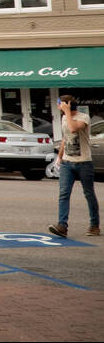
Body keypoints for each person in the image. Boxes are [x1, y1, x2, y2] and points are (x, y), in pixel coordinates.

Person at [49, 94, 99, 238]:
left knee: (89, 194)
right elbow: (66, 137)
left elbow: (73, 129)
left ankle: (94, 225)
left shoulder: (84, 117)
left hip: (84, 162)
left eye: (60, 103)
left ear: (68, 104)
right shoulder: (65, 117)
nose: (58, 106)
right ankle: (62, 226)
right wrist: (59, 157)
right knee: (63, 194)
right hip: (67, 163)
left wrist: (66, 112)